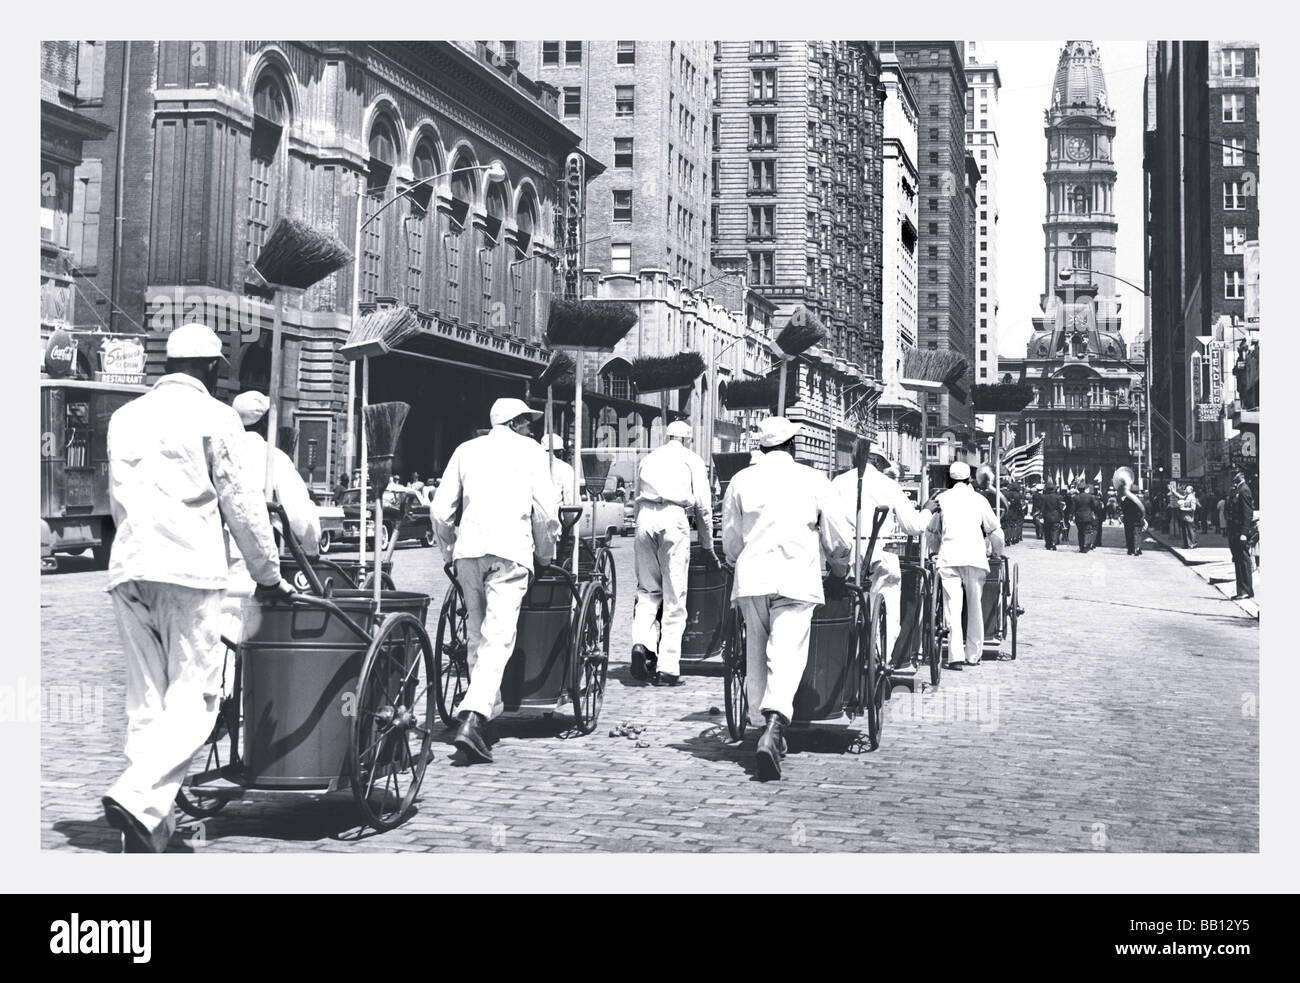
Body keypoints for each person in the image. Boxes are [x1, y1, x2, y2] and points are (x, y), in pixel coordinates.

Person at [101, 322, 291, 853]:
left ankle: (150, 826)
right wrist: (268, 576)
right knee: (196, 696)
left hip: (130, 568)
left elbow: (117, 496)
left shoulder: (124, 417)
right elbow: (243, 505)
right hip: (191, 572)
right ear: (209, 369)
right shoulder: (217, 416)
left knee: (147, 700)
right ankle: (138, 796)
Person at [721, 417, 851, 780]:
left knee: (756, 654)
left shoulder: (742, 480)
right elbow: (837, 538)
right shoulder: (813, 480)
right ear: (792, 447)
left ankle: (762, 724)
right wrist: (840, 567)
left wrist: (736, 561)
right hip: (795, 577)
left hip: (753, 578)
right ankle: (775, 725)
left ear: (761, 447)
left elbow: (730, 538)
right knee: (787, 653)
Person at [431, 398, 560, 764]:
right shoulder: (532, 452)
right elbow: (547, 514)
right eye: (528, 422)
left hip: (469, 552)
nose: (532, 428)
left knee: (476, 634)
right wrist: (546, 555)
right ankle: (473, 718)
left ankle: (487, 714)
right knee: (499, 637)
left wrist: (449, 550)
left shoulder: (466, 449)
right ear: (516, 423)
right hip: (510, 551)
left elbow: (441, 511)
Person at [221, 391, 321, 639]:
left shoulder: (220, 450)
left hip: (209, 570)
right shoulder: (273, 458)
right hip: (250, 571)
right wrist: (312, 549)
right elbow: (301, 519)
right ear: (268, 424)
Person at [831, 443, 937, 667]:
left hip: (846, 553)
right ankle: (882, 662)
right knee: (888, 611)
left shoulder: (838, 482)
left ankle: (847, 659)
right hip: (881, 551)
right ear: (878, 462)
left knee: (845, 607)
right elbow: (913, 526)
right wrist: (927, 509)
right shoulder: (888, 485)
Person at [630, 419, 716, 687]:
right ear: (687, 438)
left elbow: (635, 496)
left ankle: (641, 644)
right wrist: (708, 544)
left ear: (667, 436)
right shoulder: (692, 460)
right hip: (674, 519)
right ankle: (667, 667)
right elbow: (703, 507)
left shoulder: (649, 458)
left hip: (644, 518)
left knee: (647, 591)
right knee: (674, 596)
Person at [926, 461, 1004, 667]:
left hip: (949, 557)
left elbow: (932, 530)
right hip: (974, 558)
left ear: (950, 480)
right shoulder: (979, 500)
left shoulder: (941, 499)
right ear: (969, 479)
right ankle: (973, 654)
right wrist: (997, 553)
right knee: (975, 607)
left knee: (952, 607)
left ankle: (955, 656)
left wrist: (934, 550)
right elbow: (995, 530)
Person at [1225, 470, 1257, 600]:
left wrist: (1244, 533)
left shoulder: (1244, 490)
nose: (1234, 477)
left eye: (1236, 475)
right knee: (1238, 560)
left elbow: (1248, 513)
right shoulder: (1237, 490)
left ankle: (1246, 590)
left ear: (1242, 476)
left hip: (1240, 531)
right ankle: (1242, 590)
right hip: (1234, 530)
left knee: (1243, 560)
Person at [540, 432, 576, 506]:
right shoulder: (565, 468)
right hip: (555, 514)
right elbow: (570, 500)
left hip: (533, 515)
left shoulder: (531, 465)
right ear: (560, 452)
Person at [1118, 478, 1146, 556]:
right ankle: (1137, 549)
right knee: (1137, 534)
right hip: (1138, 519)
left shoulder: (1126, 499)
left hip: (1128, 520)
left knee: (1129, 534)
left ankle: (1130, 550)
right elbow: (1145, 508)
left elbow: (1122, 508)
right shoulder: (1140, 500)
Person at [1039, 481, 1065, 550]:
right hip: (1056, 516)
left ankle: (1048, 543)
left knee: (1047, 530)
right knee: (1055, 530)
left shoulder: (1044, 497)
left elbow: (1042, 508)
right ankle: (1053, 542)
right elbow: (1060, 508)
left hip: (1047, 516)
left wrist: (1041, 515)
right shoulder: (1059, 497)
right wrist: (1062, 515)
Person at [1178, 482, 1199, 549]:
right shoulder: (1186, 496)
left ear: (1191, 490)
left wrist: (1183, 509)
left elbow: (1193, 509)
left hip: (1189, 518)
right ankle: (1186, 544)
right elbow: (1180, 497)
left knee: (1190, 531)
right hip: (1184, 517)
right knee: (1185, 531)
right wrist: (1173, 491)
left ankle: (1192, 543)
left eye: (1187, 489)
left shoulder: (1192, 498)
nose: (1185, 490)